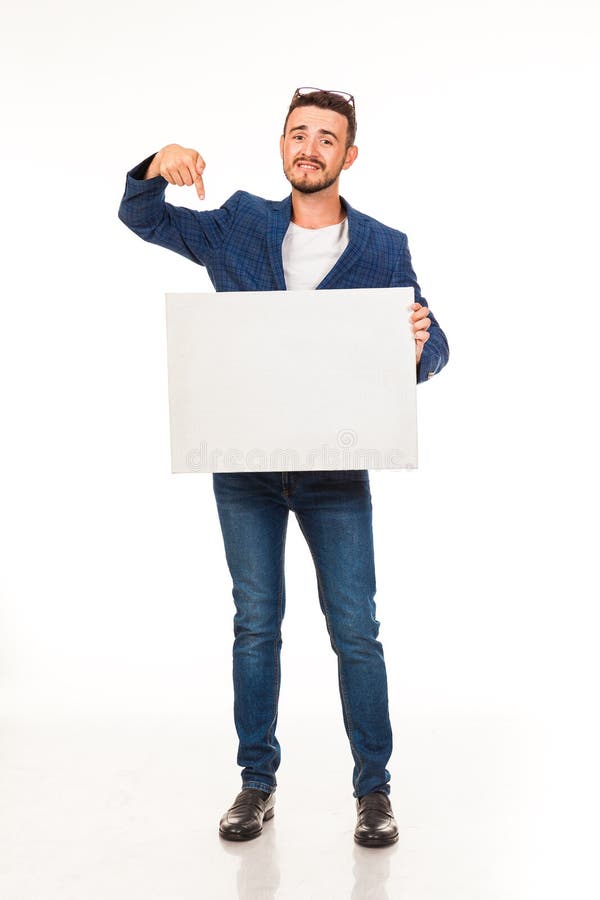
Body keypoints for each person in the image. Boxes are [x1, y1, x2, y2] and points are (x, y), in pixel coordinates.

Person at [118, 87, 449, 847]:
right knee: (255, 626)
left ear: (348, 156)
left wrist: (415, 343)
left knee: (356, 630)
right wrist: (154, 168)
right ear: (282, 144)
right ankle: (256, 785)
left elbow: (435, 351)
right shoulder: (239, 221)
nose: (310, 147)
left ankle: (374, 793)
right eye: (299, 133)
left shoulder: (382, 246)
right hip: (246, 466)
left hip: (336, 469)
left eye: (327, 138)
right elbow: (144, 218)